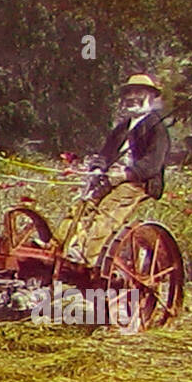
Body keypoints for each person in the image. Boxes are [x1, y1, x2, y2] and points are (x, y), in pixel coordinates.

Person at [60, 74, 170, 265]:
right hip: (112, 179)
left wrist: (126, 174)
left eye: (139, 93)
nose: (133, 97)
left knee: (108, 210)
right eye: (130, 93)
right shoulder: (122, 128)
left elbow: (153, 163)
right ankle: (58, 246)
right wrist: (97, 169)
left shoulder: (157, 127)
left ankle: (87, 256)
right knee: (82, 205)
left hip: (138, 183)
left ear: (152, 97)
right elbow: (105, 154)